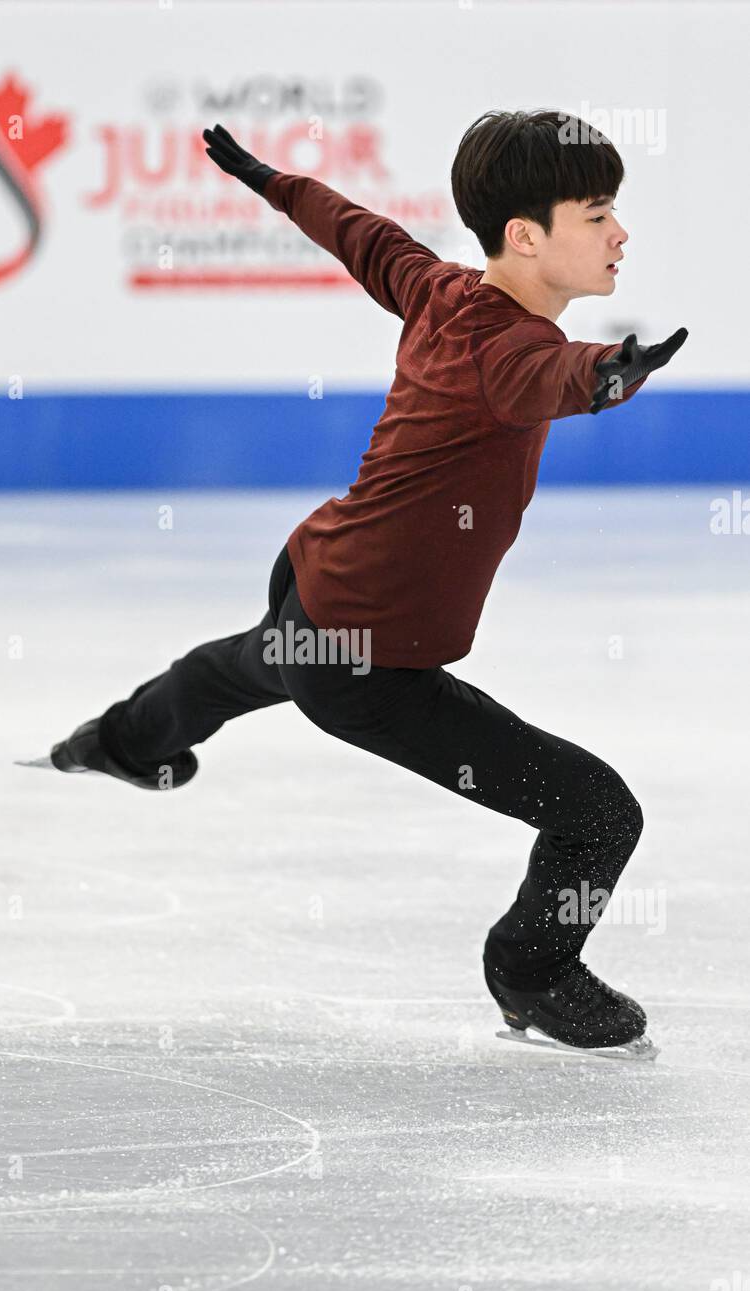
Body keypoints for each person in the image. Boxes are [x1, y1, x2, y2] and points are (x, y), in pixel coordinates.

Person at [49, 109, 687, 1059]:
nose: (620, 234)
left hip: (319, 586)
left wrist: (269, 178)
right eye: (597, 215)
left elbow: (356, 229)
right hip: (369, 661)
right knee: (599, 815)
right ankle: (533, 969)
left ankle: (120, 739)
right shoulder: (507, 351)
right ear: (525, 235)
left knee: (247, 668)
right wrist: (608, 374)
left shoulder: (439, 290)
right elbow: (551, 375)